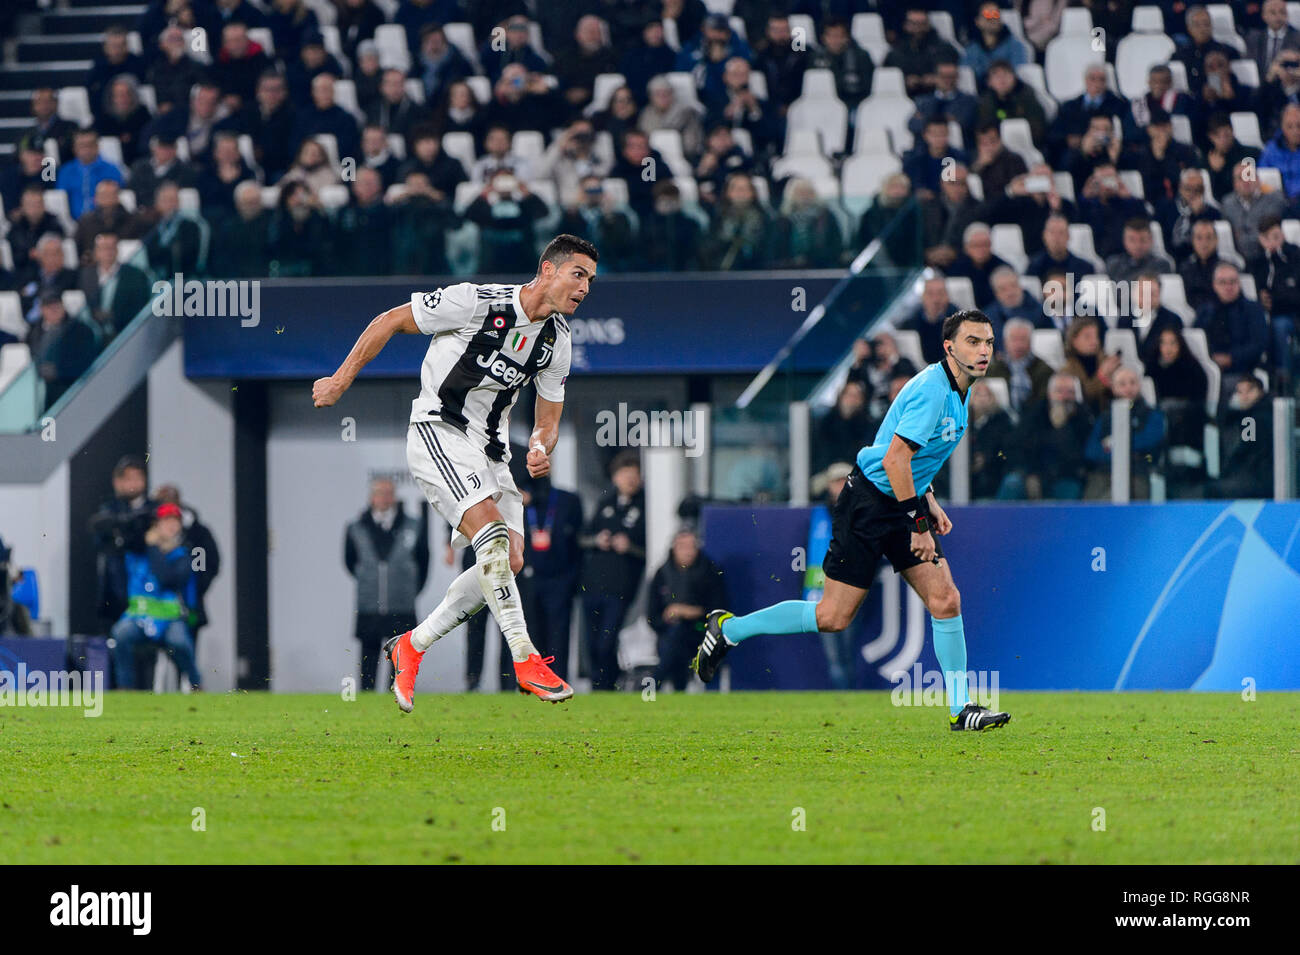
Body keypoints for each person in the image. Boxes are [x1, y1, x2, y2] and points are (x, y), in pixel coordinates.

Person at [312, 234, 596, 709]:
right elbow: (389, 321)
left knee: (512, 561)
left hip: (493, 452)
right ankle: (525, 658)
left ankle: (411, 646)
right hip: (438, 431)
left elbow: (547, 422)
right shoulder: (475, 301)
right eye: (578, 274)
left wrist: (542, 448)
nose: (585, 288)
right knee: (492, 536)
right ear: (548, 270)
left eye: (590, 280)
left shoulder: (556, 340)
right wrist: (341, 380)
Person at [692, 310, 1011, 732]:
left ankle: (960, 707)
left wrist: (928, 499)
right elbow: (896, 459)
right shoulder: (934, 390)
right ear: (949, 347)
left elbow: (911, 455)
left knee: (945, 599)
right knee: (833, 617)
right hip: (869, 504)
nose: (984, 350)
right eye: (973, 341)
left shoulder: (961, 388)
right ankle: (730, 628)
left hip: (902, 498)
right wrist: (919, 525)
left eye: (988, 342)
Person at [344, 478, 430, 692]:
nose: (384, 498)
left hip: (402, 606)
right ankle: (365, 703)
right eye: (380, 493)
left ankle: (399, 699)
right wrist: (371, 581)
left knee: (401, 659)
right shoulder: (356, 528)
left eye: (389, 493)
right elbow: (350, 562)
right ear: (371, 497)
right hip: (369, 605)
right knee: (368, 659)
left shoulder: (413, 525)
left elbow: (423, 561)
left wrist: (408, 589)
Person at [110, 502, 203, 691]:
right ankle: (125, 687)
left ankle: (196, 683)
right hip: (139, 616)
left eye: (175, 521)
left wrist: (154, 548)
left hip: (170, 618)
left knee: (180, 643)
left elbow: (167, 578)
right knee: (120, 634)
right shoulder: (138, 549)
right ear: (156, 524)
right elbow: (120, 549)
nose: (171, 526)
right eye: (166, 521)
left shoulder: (182, 554)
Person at [580, 450, 646, 692]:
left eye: (634, 474)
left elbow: (651, 549)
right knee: (592, 642)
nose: (629, 479)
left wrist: (630, 547)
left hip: (621, 587)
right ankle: (599, 687)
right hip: (593, 584)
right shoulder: (605, 503)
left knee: (608, 640)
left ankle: (610, 683)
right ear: (615, 477)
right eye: (624, 474)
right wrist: (598, 540)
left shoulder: (646, 507)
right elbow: (582, 538)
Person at [647, 528, 727, 692]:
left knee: (677, 636)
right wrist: (668, 618)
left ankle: (654, 683)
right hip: (668, 631)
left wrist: (686, 611)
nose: (688, 552)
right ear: (674, 548)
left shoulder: (709, 572)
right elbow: (652, 615)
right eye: (683, 546)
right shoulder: (662, 574)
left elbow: (719, 610)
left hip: (701, 630)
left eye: (691, 547)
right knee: (675, 636)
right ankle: (672, 688)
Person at [1083, 365, 1167, 500]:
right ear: (1114, 388)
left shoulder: (1152, 414)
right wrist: (1118, 454)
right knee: (1089, 508)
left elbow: (1149, 441)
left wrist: (1112, 445)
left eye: (1132, 383)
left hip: (1137, 472)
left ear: (1139, 385)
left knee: (1109, 504)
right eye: (1122, 384)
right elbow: (1091, 450)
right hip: (1103, 473)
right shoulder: (1105, 417)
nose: (1128, 388)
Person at [1009, 372, 1095, 499]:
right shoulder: (1035, 413)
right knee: (1012, 484)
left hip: (1067, 476)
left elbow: (1081, 457)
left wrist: (1062, 429)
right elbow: (1017, 446)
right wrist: (1031, 473)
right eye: (1059, 391)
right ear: (1050, 394)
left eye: (1070, 392)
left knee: (1070, 491)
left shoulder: (1084, 416)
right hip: (1034, 472)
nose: (1065, 397)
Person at [1209, 371, 1274, 498]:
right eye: (1240, 392)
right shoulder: (1271, 412)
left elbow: (1244, 451)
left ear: (1260, 392)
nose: (1244, 397)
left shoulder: (1250, 419)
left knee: (1212, 489)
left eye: (1249, 391)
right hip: (1267, 475)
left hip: (1260, 478)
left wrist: (1225, 473)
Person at [986, 317, 1053, 412]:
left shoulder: (1045, 371)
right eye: (1014, 339)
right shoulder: (992, 370)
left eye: (1023, 339)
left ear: (1030, 342)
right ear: (1005, 342)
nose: (1018, 345)